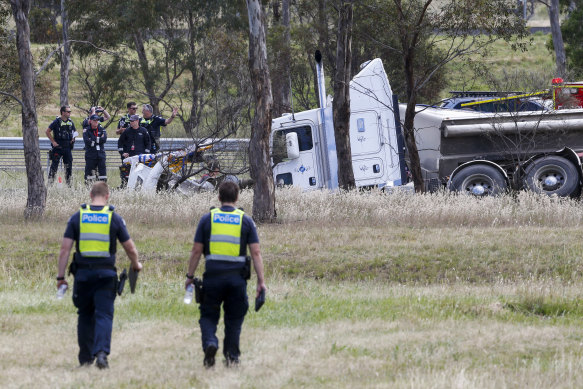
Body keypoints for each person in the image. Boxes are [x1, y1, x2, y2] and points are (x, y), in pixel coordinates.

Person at [56, 182, 142, 369]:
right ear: (107, 196)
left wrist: (60, 277)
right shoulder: (113, 218)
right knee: (104, 315)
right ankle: (102, 353)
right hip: (105, 276)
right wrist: (136, 264)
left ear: (90, 194)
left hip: (83, 275)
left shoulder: (77, 217)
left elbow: (64, 250)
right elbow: (129, 247)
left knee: (85, 315)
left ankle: (86, 360)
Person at [185, 180, 266, 368]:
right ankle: (232, 357)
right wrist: (261, 282)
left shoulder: (208, 219)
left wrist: (190, 276)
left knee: (207, 316)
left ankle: (210, 343)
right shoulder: (245, 220)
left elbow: (196, 250)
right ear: (237, 198)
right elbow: (256, 253)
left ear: (219, 198)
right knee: (234, 319)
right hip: (237, 280)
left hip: (212, 278)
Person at [46, 106, 77, 185]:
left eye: (70, 112)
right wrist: (53, 142)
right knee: (54, 167)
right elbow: (47, 131)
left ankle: (69, 185)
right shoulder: (56, 122)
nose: (69, 113)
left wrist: (73, 139)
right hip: (58, 148)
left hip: (67, 148)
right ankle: (50, 184)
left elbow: (74, 132)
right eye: (68, 112)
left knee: (68, 167)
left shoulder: (70, 122)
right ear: (63, 112)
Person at [117, 114, 151, 187]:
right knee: (126, 174)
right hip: (129, 157)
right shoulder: (127, 131)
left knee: (140, 175)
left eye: (132, 121)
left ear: (137, 121)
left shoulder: (143, 131)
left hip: (140, 158)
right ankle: (125, 186)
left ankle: (138, 187)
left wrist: (145, 155)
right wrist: (122, 153)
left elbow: (148, 143)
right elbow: (120, 143)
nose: (131, 122)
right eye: (130, 121)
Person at [83, 114, 108, 184]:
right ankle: (88, 188)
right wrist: (99, 139)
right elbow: (87, 141)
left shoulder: (102, 129)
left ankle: (102, 189)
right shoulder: (86, 130)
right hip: (90, 155)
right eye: (94, 120)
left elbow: (104, 139)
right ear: (90, 121)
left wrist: (93, 140)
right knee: (89, 173)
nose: (96, 122)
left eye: (97, 120)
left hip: (101, 155)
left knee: (102, 174)